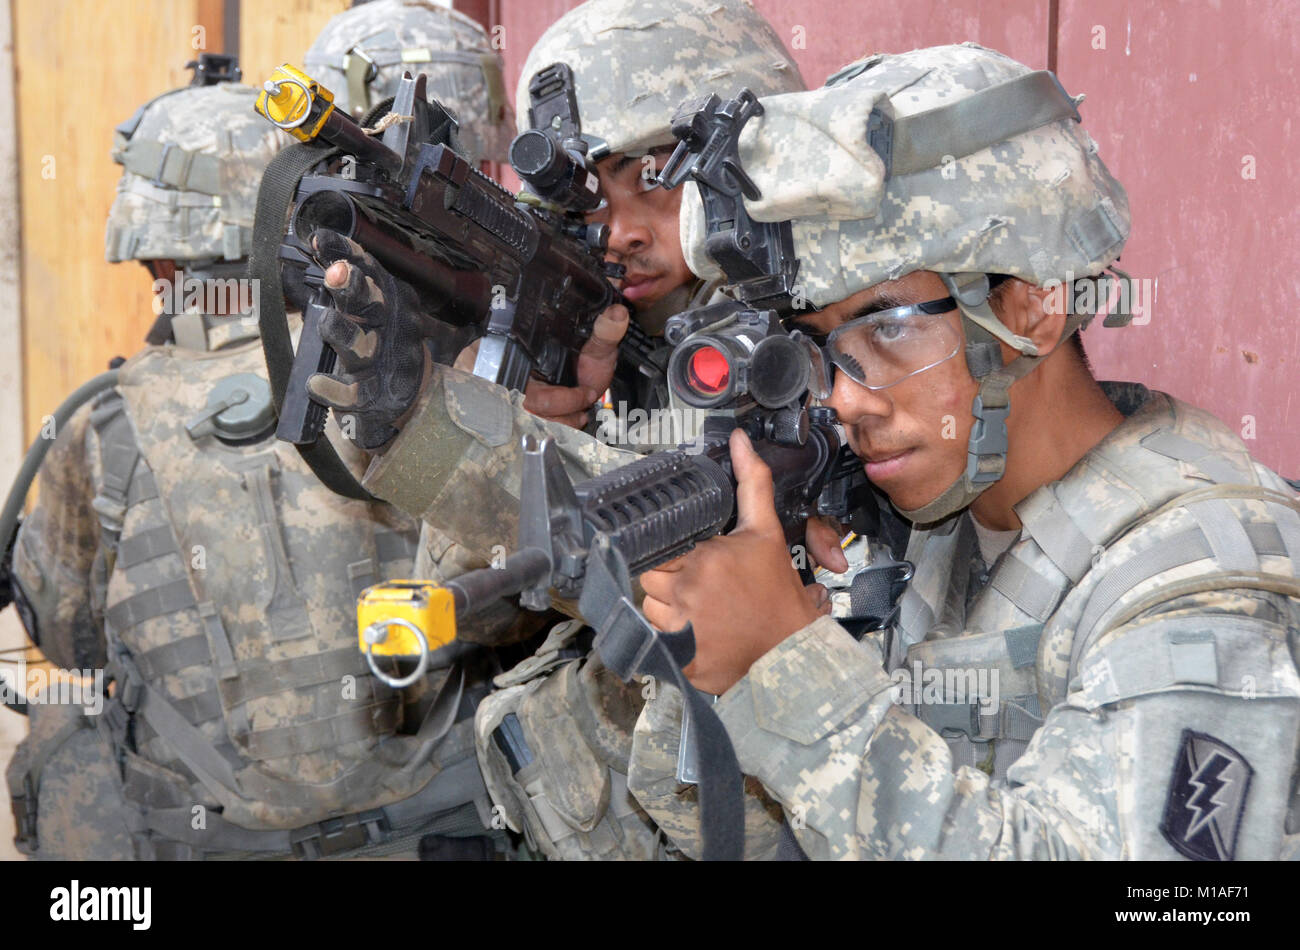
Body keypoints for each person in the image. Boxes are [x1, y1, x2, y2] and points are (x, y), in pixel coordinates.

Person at [626, 43, 1300, 860]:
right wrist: (725, 642)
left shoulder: (1203, 581)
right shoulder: (938, 524)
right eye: (819, 346)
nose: (846, 397)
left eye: (888, 327)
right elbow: (717, 832)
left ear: (1031, 311)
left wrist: (785, 670)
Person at [300, 0, 807, 858]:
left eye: (654, 176)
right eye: (587, 194)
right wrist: (518, 423)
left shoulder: (813, 366)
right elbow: (478, 615)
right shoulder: (610, 349)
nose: (621, 231)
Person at [2, 54, 509, 861]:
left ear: (159, 262)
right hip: (440, 830)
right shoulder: (406, 370)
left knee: (69, 723)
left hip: (222, 845)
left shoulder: (103, 429)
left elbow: (68, 639)